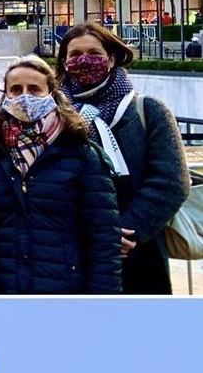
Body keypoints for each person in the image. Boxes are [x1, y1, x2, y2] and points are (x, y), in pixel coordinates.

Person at [0, 55, 121, 294]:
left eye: (34, 89)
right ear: (4, 95)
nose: (24, 96)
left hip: (63, 288)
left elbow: (103, 237)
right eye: (15, 89)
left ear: (51, 93)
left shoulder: (81, 153)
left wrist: (103, 301)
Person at [56, 22, 190, 293]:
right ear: (64, 62)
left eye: (94, 52)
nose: (84, 60)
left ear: (112, 57)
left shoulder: (148, 111)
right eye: (75, 54)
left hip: (135, 253)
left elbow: (171, 181)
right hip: (68, 252)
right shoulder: (52, 115)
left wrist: (127, 231)